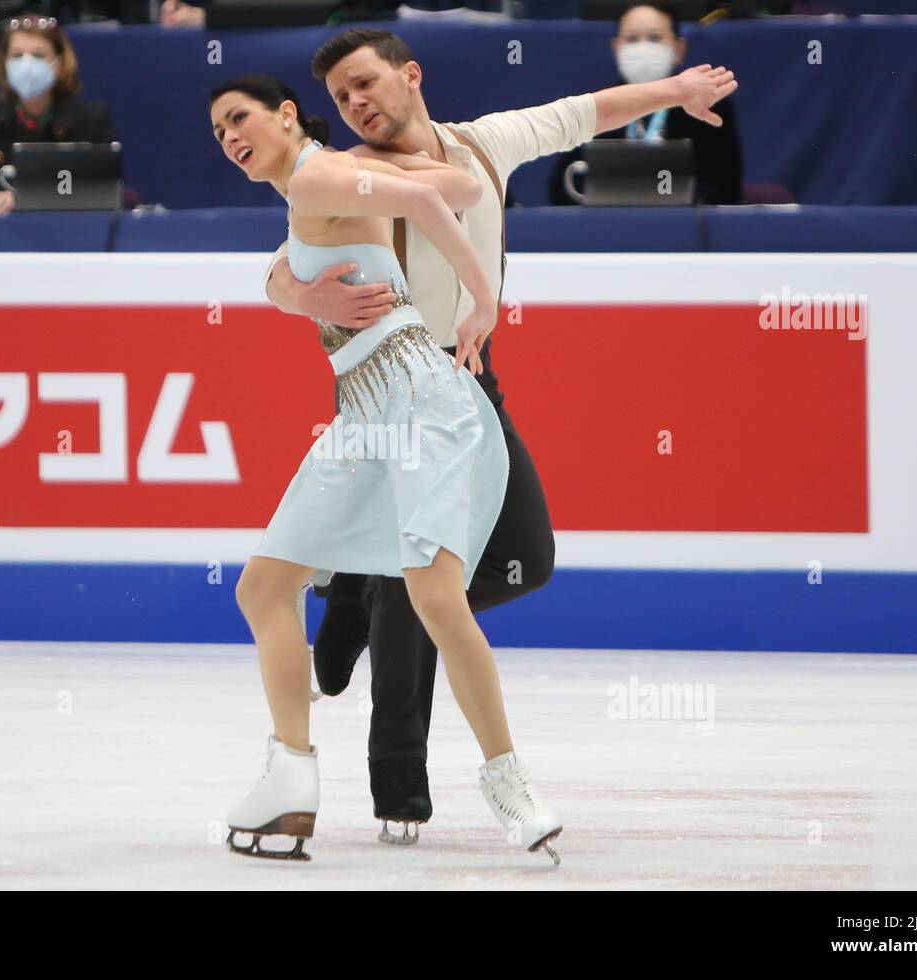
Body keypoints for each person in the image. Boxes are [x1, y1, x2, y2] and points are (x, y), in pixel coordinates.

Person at [264, 27, 736, 843]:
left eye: (367, 83)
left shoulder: (484, 145)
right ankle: (399, 789)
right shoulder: (349, 178)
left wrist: (674, 93)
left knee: (522, 556)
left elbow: (581, 114)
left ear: (411, 75)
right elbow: (279, 268)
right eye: (341, 98)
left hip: (471, 384)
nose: (356, 104)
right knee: (426, 591)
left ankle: (359, 591)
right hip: (391, 400)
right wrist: (306, 301)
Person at [210, 74, 564, 863]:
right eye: (217, 131)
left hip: (417, 397)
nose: (229, 136)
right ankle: (290, 779)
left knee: (435, 595)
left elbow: (446, 197)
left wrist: (482, 299)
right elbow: (433, 191)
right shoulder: (314, 182)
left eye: (239, 118)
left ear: (285, 115)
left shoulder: (312, 172)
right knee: (265, 586)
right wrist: (299, 294)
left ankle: (510, 780)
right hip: (367, 410)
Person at [549, 2, 743, 206]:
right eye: (632, 39)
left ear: (678, 48)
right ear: (616, 48)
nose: (642, 48)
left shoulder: (708, 106)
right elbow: (562, 189)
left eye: (655, 38)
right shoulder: (597, 105)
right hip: (606, 230)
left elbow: (726, 190)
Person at [0, 15, 116, 215]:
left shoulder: (90, 118)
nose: (26, 65)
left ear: (59, 63)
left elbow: (107, 192)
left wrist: (24, 199)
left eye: (38, 55)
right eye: (17, 56)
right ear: (5, 62)